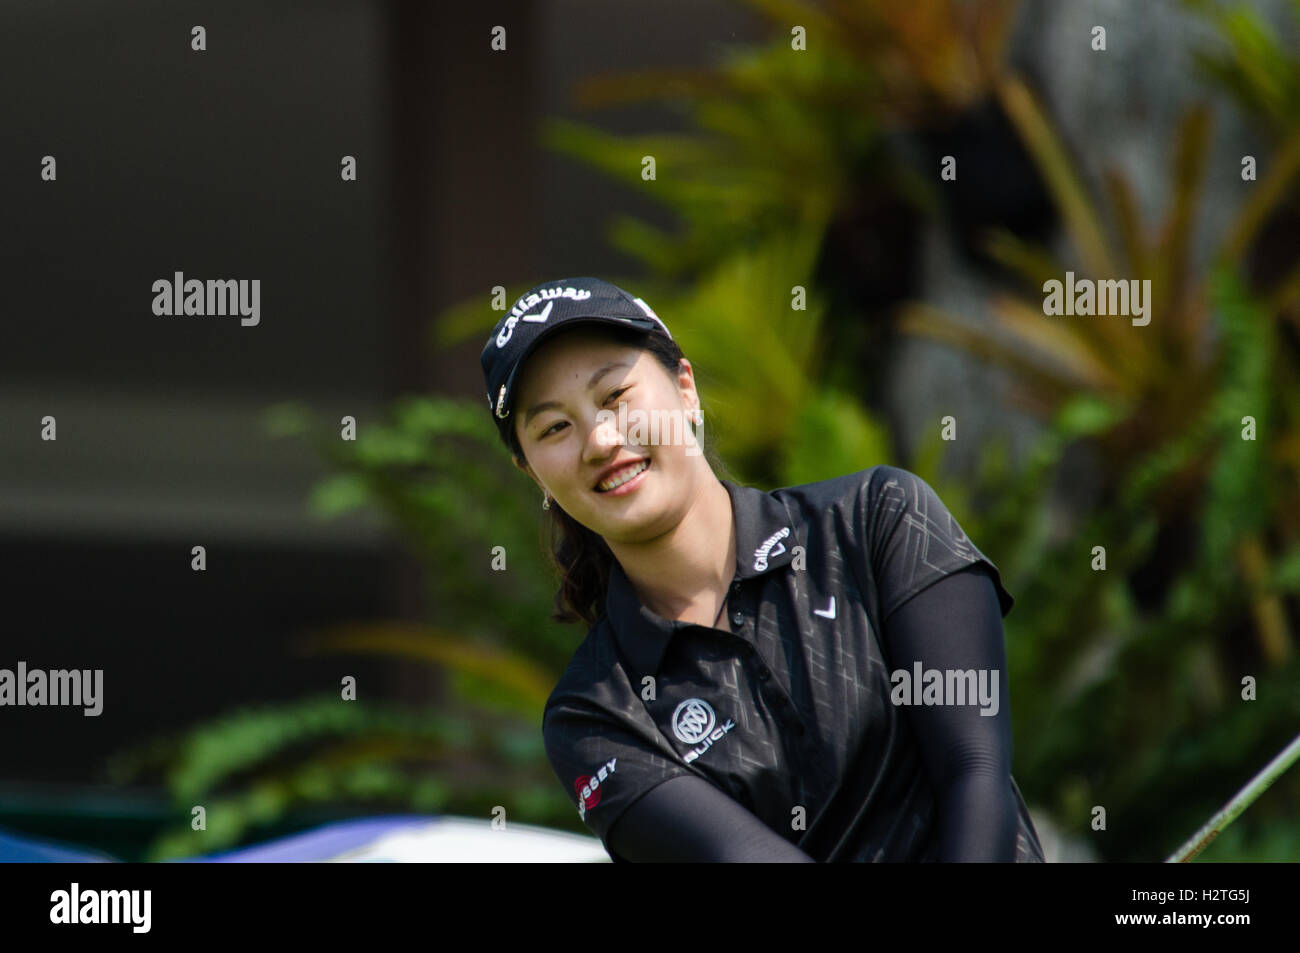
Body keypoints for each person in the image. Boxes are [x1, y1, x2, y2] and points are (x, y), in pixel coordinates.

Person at [479, 277, 1046, 862]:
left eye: (616, 395)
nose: (599, 439)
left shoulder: (875, 521)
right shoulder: (595, 712)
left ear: (684, 388)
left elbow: (972, 770)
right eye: (554, 427)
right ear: (533, 474)